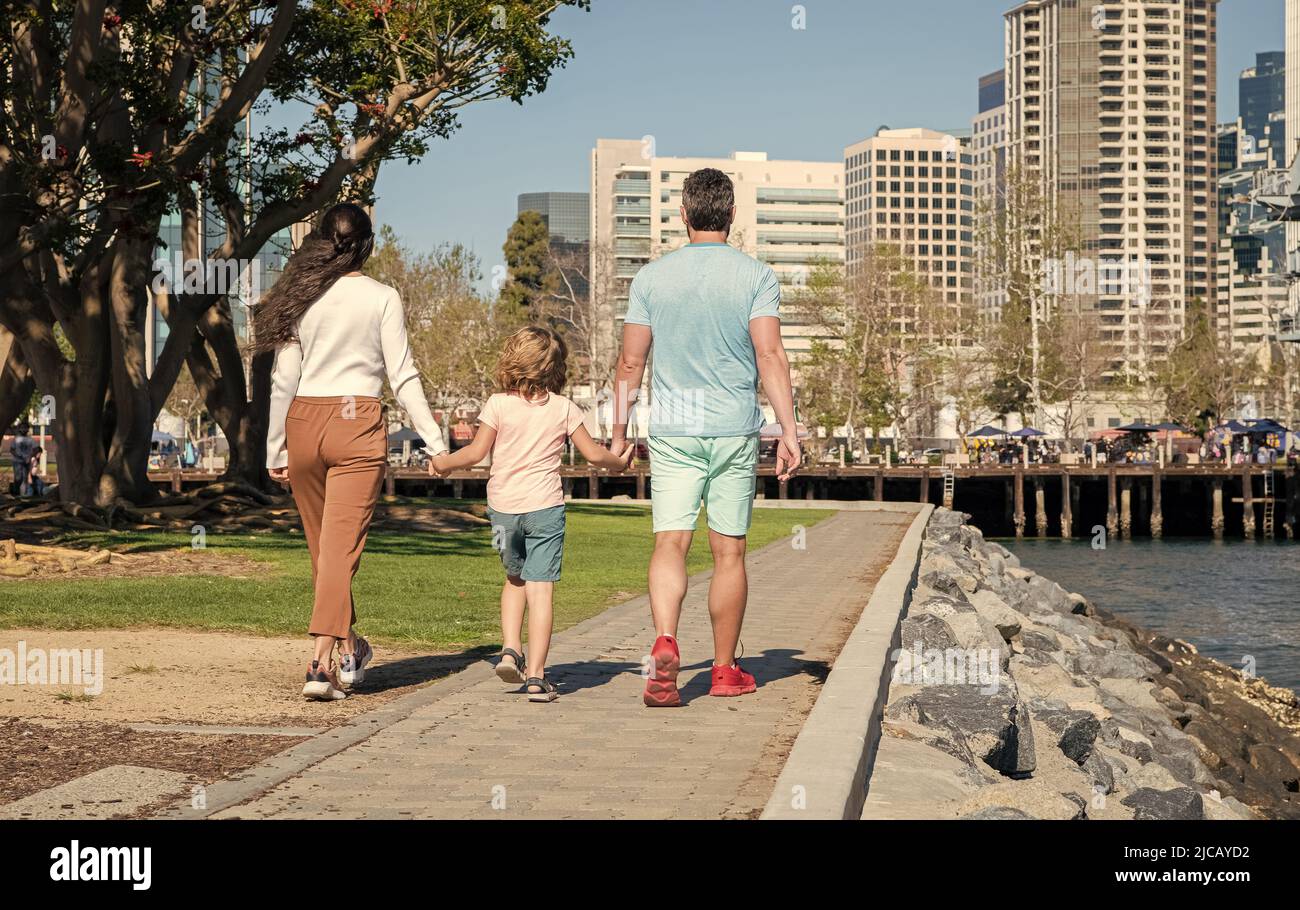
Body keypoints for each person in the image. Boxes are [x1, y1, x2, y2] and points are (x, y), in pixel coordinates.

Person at [610, 167, 802, 708]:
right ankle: (722, 670)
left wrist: (619, 431)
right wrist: (787, 430)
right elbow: (770, 355)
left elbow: (630, 362)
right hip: (732, 426)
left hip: (673, 429)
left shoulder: (651, 279)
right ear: (732, 215)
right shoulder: (757, 276)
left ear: (685, 215)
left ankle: (666, 640)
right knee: (729, 553)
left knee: (671, 541)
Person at [262, 203, 447, 702]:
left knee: (327, 553)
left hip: (303, 421)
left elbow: (283, 378)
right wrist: (435, 439)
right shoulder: (383, 297)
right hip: (356, 419)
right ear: (368, 245)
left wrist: (275, 444)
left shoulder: (301, 295)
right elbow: (402, 374)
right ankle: (320, 664)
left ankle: (350, 649)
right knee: (339, 552)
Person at [429, 327, 632, 703]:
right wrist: (618, 464)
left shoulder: (497, 404)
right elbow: (592, 455)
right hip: (545, 510)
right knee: (541, 591)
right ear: (555, 367)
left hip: (502, 513)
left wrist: (442, 464)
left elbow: (475, 455)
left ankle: (509, 649)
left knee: (513, 579)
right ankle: (537, 677)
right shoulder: (564, 408)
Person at [9, 422, 38, 496]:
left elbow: (36, 449)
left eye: (25, 427)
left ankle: (23, 494)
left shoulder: (30, 440)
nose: (24, 429)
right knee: (18, 478)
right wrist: (17, 456)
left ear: (28, 429)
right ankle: (15, 492)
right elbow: (12, 450)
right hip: (17, 461)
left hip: (26, 461)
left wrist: (30, 457)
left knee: (25, 478)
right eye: (22, 427)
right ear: (19, 429)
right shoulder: (16, 439)